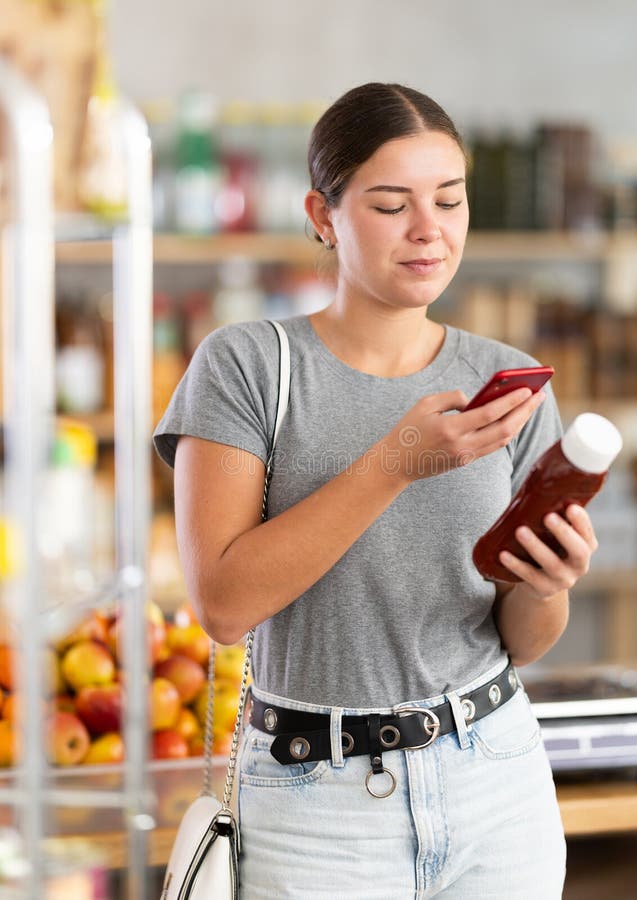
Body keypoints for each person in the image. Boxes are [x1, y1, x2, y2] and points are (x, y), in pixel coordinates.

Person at [154, 82, 598, 899]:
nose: (429, 229)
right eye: (392, 204)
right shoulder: (248, 365)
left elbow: (524, 640)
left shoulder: (503, 384)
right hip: (316, 802)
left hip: (496, 777)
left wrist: (550, 581)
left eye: (450, 200)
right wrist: (397, 459)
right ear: (323, 216)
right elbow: (222, 604)